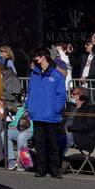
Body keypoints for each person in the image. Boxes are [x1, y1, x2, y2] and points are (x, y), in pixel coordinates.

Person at [27, 47, 67, 178]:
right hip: (37, 114)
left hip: (51, 115)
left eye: (37, 57)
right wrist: (30, 106)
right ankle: (41, 168)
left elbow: (61, 95)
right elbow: (30, 91)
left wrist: (55, 109)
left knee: (52, 143)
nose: (35, 59)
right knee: (39, 144)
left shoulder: (56, 75)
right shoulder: (34, 74)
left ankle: (54, 169)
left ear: (43, 57)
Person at [6, 101, 32, 171]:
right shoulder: (21, 109)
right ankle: (11, 160)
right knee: (5, 134)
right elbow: (15, 122)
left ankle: (23, 162)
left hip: (30, 130)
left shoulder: (36, 109)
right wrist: (11, 125)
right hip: (19, 129)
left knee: (21, 137)